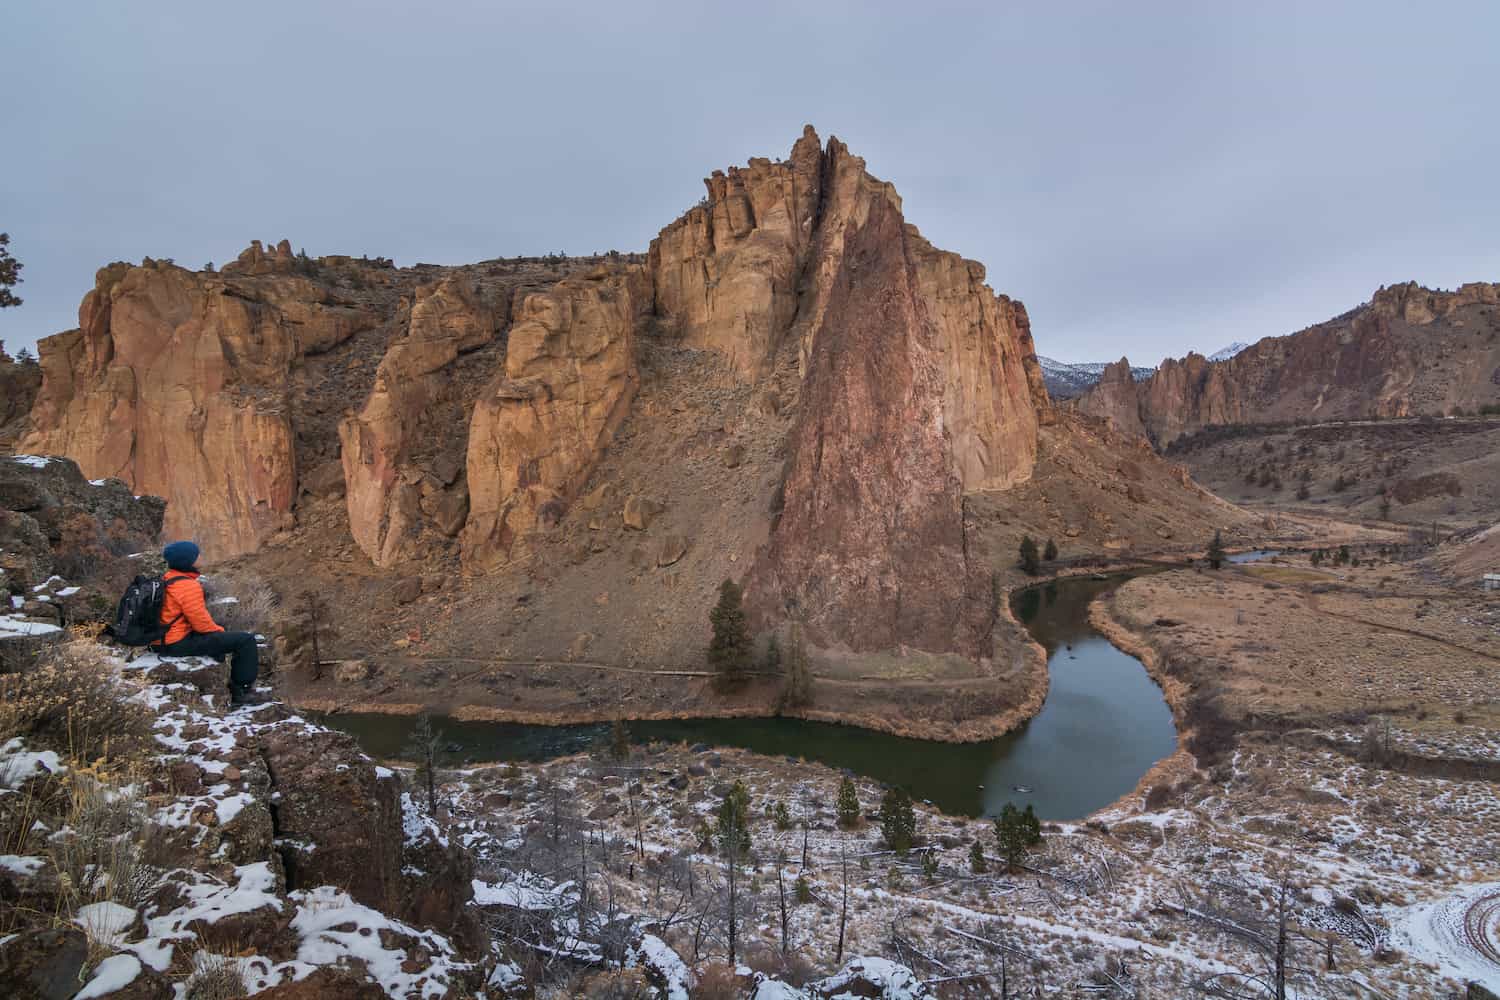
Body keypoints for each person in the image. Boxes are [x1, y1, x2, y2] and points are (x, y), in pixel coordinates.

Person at [153, 541, 261, 705]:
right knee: (245, 641)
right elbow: (200, 623)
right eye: (196, 556)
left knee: (217, 637)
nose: (199, 559)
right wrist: (219, 631)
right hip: (175, 643)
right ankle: (242, 691)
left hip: (158, 640)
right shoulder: (188, 585)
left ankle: (221, 661)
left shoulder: (165, 579)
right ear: (187, 561)